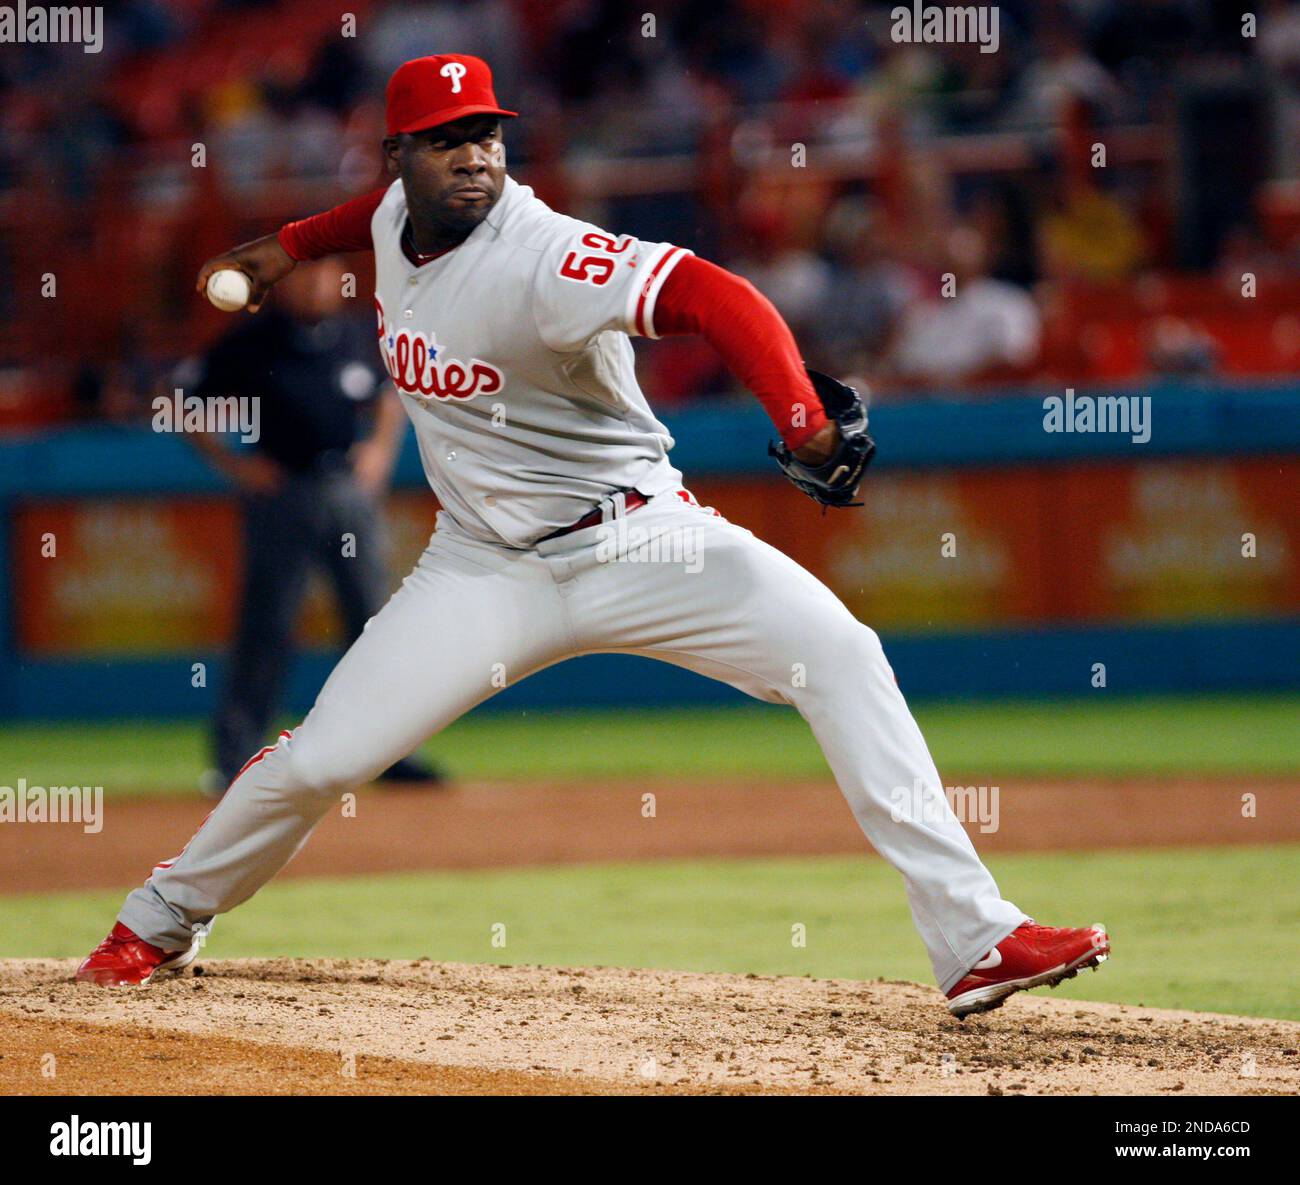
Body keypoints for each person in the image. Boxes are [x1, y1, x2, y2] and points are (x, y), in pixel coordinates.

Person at [77, 54, 1109, 1017]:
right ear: (401, 158)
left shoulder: (544, 254)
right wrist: (288, 247)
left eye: (486, 132)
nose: (474, 154)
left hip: (639, 541)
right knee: (320, 764)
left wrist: (799, 416)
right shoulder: (399, 215)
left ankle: (974, 938)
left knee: (839, 654)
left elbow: (716, 295)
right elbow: (371, 217)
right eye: (446, 139)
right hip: (481, 568)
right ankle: (156, 922)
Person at [182, 256, 443, 791]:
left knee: (374, 626)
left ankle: (391, 753)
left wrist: (380, 452)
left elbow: (388, 397)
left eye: (326, 274)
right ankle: (233, 759)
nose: (319, 283)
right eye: (307, 275)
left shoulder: (350, 337)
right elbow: (184, 403)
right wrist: (235, 464)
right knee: (268, 627)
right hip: (282, 495)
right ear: (283, 284)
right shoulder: (250, 342)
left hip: (346, 489)